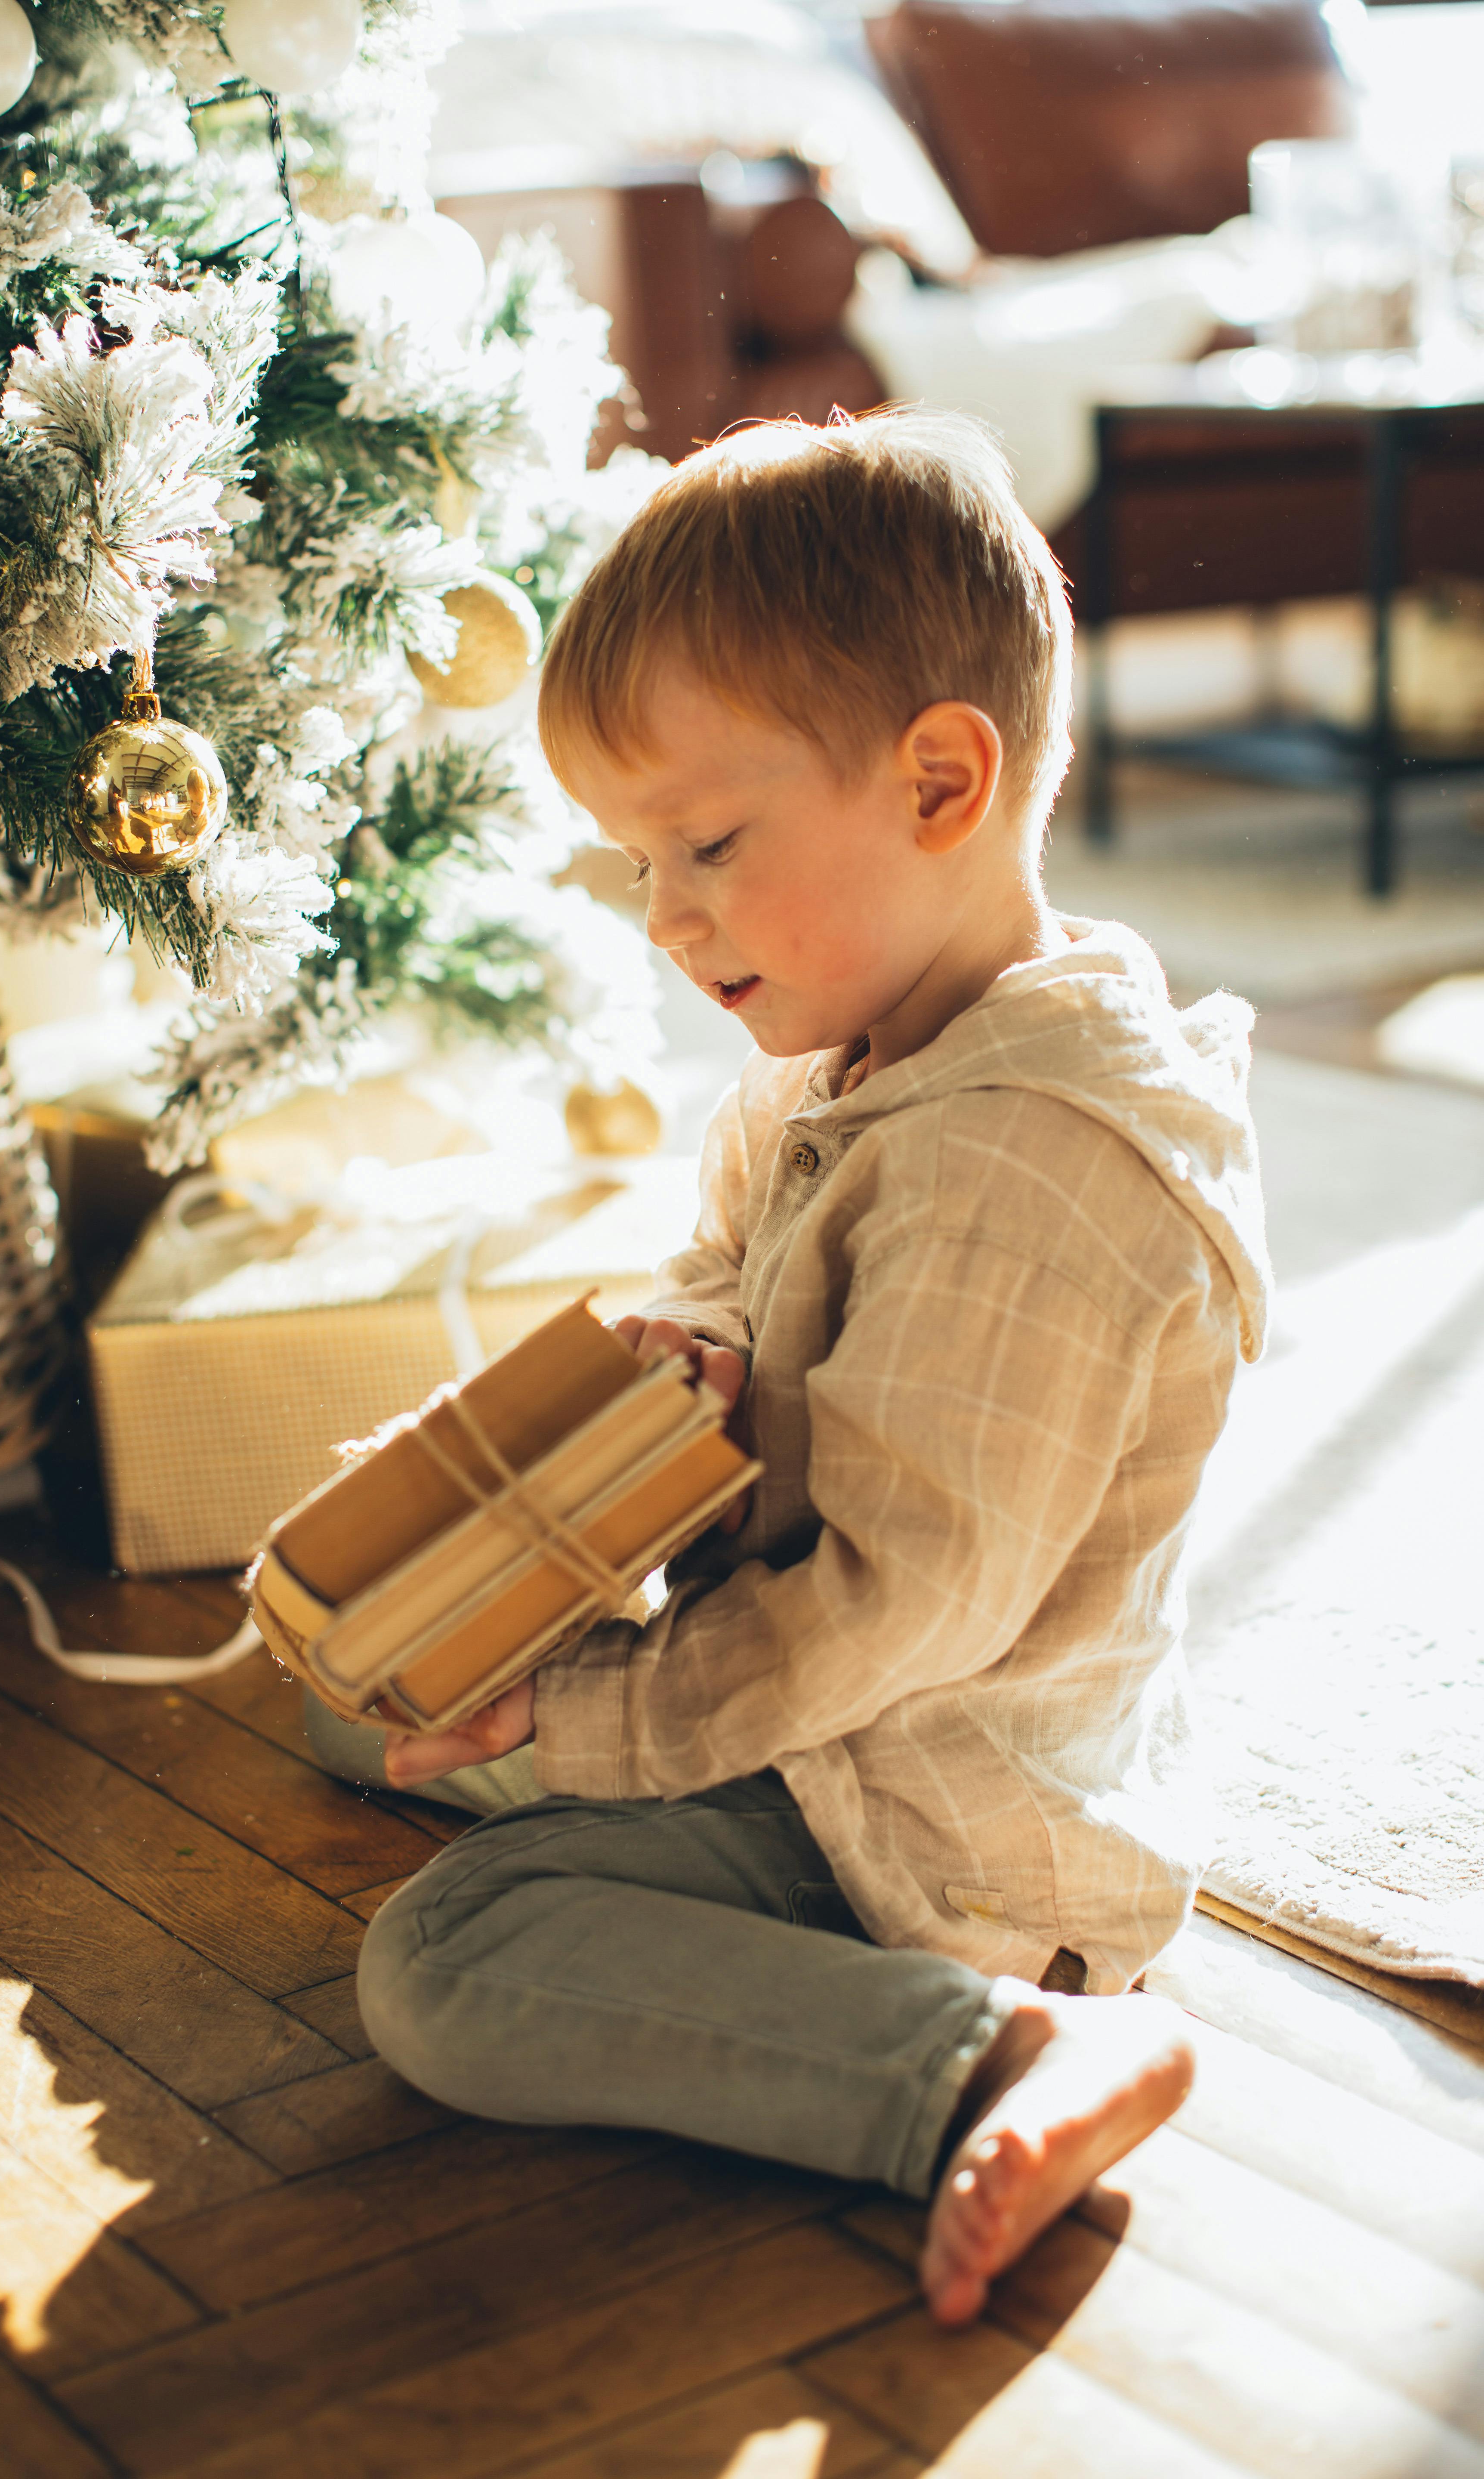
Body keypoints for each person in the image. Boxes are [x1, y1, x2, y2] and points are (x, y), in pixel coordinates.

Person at [302, 408, 1270, 2325]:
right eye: (636, 860)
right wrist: (702, 1351)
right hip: (817, 1692)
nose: (665, 917)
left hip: (941, 1810)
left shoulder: (1026, 1168)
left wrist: (580, 1729)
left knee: (449, 1965)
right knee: (360, 1690)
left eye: (709, 844)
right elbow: (728, 1266)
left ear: (938, 781)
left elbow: (892, 1619)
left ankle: (994, 2060)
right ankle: (555, 1759)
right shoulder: (835, 1060)